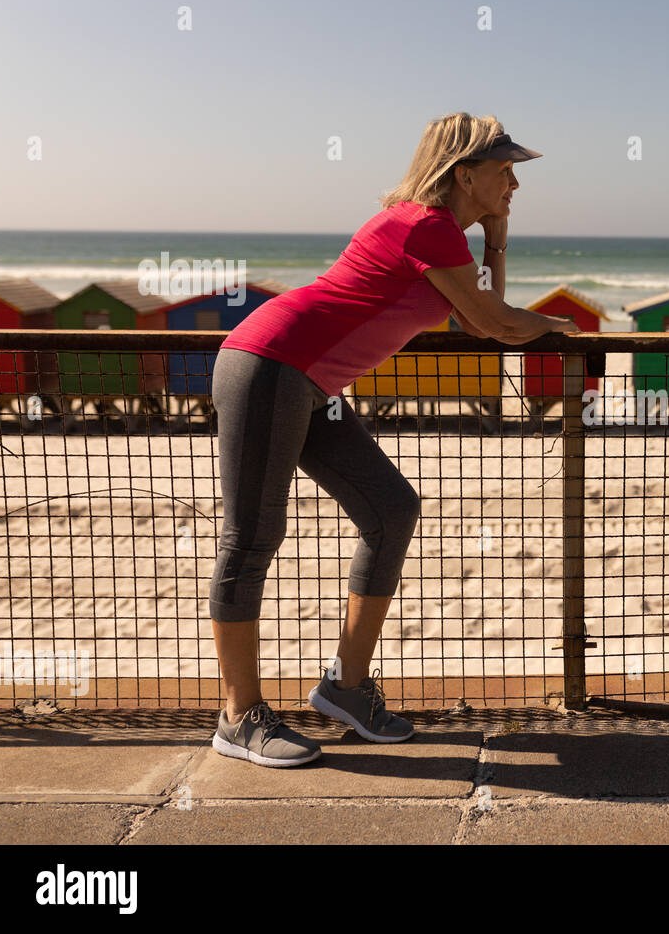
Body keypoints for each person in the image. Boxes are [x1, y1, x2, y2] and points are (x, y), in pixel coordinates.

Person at [207, 112, 578, 767]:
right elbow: (494, 322)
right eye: (505, 171)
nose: (516, 184)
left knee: (391, 509)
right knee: (251, 536)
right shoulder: (425, 225)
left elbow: (474, 320)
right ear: (464, 173)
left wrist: (495, 240)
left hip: (309, 381)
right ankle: (238, 717)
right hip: (269, 364)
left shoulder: (435, 232)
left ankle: (346, 689)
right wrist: (561, 325)